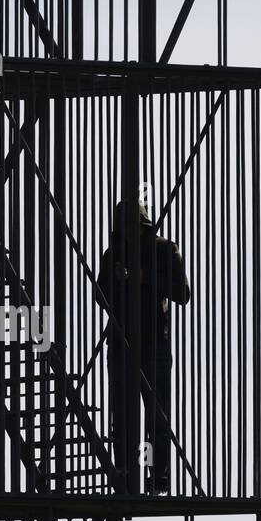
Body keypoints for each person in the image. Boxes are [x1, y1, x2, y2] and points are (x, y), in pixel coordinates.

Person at [97, 199, 190, 494]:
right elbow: (100, 296)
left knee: (157, 416)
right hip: (122, 343)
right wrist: (115, 280)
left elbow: (183, 293)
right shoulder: (113, 254)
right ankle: (126, 474)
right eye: (123, 226)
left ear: (142, 224)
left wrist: (145, 278)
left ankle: (157, 476)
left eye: (132, 225)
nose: (127, 231)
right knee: (122, 417)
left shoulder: (164, 250)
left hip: (154, 345)